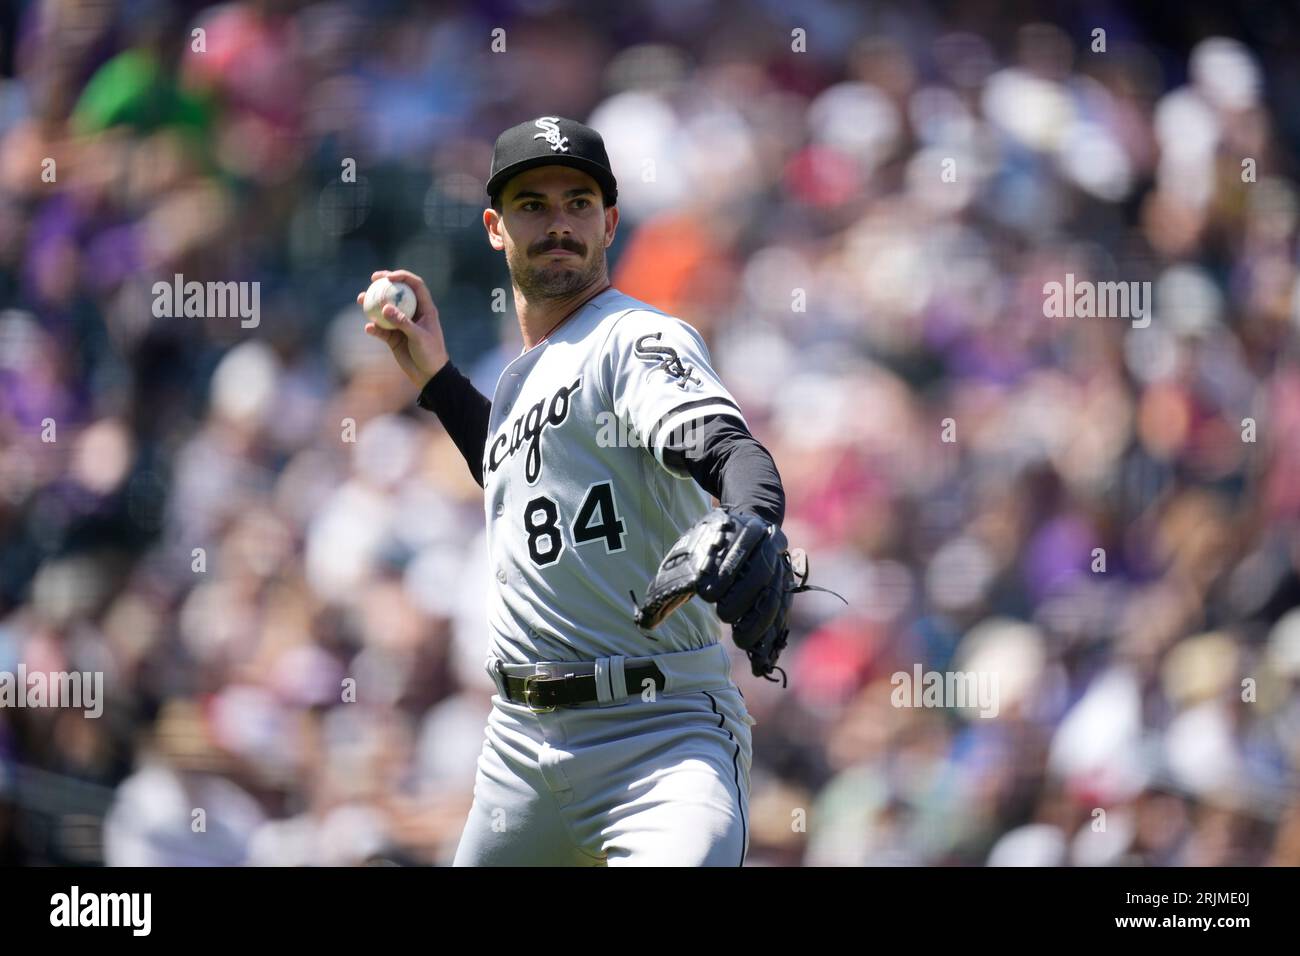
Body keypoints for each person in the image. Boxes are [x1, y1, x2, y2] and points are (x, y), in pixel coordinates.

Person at [357, 116, 793, 866]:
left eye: (578, 203)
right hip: (518, 751)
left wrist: (753, 519)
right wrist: (436, 378)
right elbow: (515, 468)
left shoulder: (633, 338)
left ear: (609, 222)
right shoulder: (531, 373)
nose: (559, 222)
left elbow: (726, 449)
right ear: (496, 228)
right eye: (533, 204)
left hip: (658, 737)